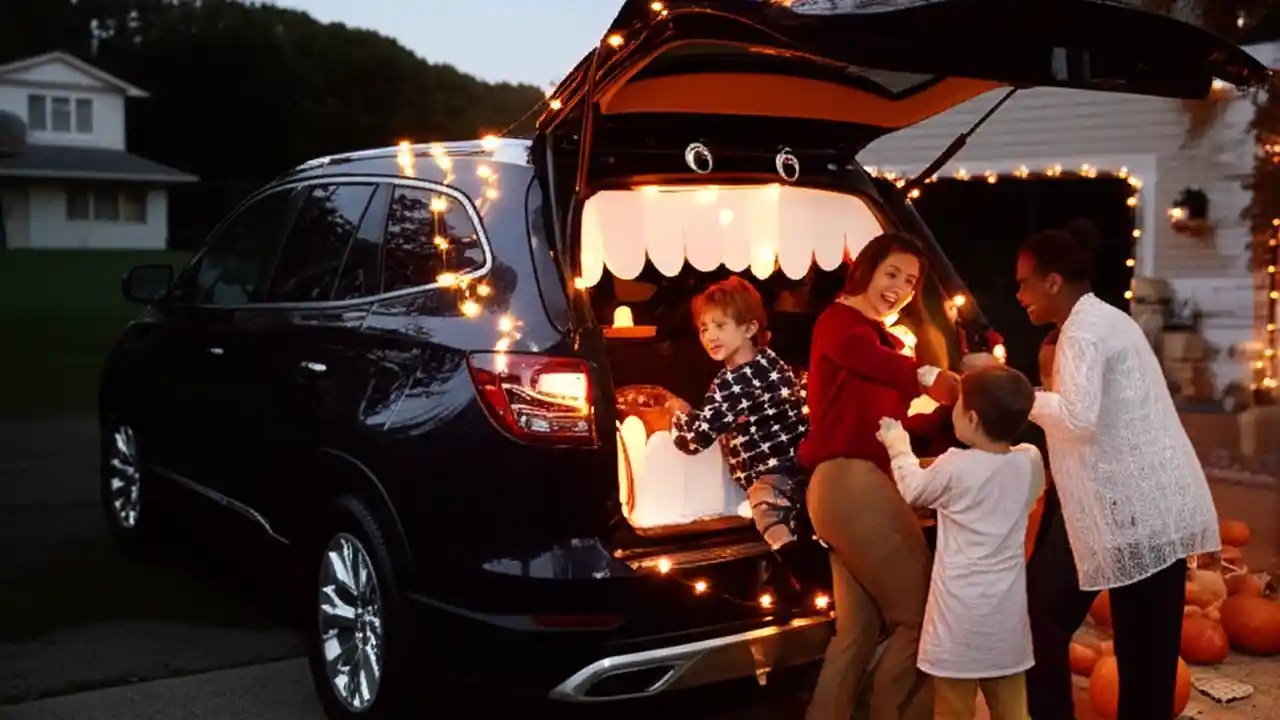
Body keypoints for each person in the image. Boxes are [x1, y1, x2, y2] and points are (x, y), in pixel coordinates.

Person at [1016, 226, 1220, 720]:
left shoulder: (1082, 330)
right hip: (1148, 506)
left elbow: (1077, 418)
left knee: (1041, 618)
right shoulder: (1109, 319)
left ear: (1053, 281)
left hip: (1124, 506)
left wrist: (1010, 394)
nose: (1018, 295)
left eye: (1023, 283)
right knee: (1146, 656)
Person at [799, 231, 962, 720]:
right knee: (924, 616)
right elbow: (861, 356)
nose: (900, 288)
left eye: (910, 282)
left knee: (857, 631)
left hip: (842, 491)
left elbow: (889, 425)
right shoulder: (840, 323)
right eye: (892, 273)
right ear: (866, 270)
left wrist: (954, 413)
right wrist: (929, 377)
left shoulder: (883, 340)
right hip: (852, 485)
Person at [876, 366, 1045, 720]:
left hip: (958, 617)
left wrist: (898, 445)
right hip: (1006, 618)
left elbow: (913, 490)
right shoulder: (1029, 461)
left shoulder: (955, 466)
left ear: (972, 418)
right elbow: (1029, 497)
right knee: (1014, 711)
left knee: (952, 710)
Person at [666, 276, 818, 592]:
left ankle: (805, 573)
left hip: (771, 475)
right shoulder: (770, 362)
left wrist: (678, 415)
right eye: (703, 328)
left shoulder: (732, 383)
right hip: (804, 465)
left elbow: (694, 440)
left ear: (749, 328)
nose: (710, 336)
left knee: (770, 518)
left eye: (720, 325)